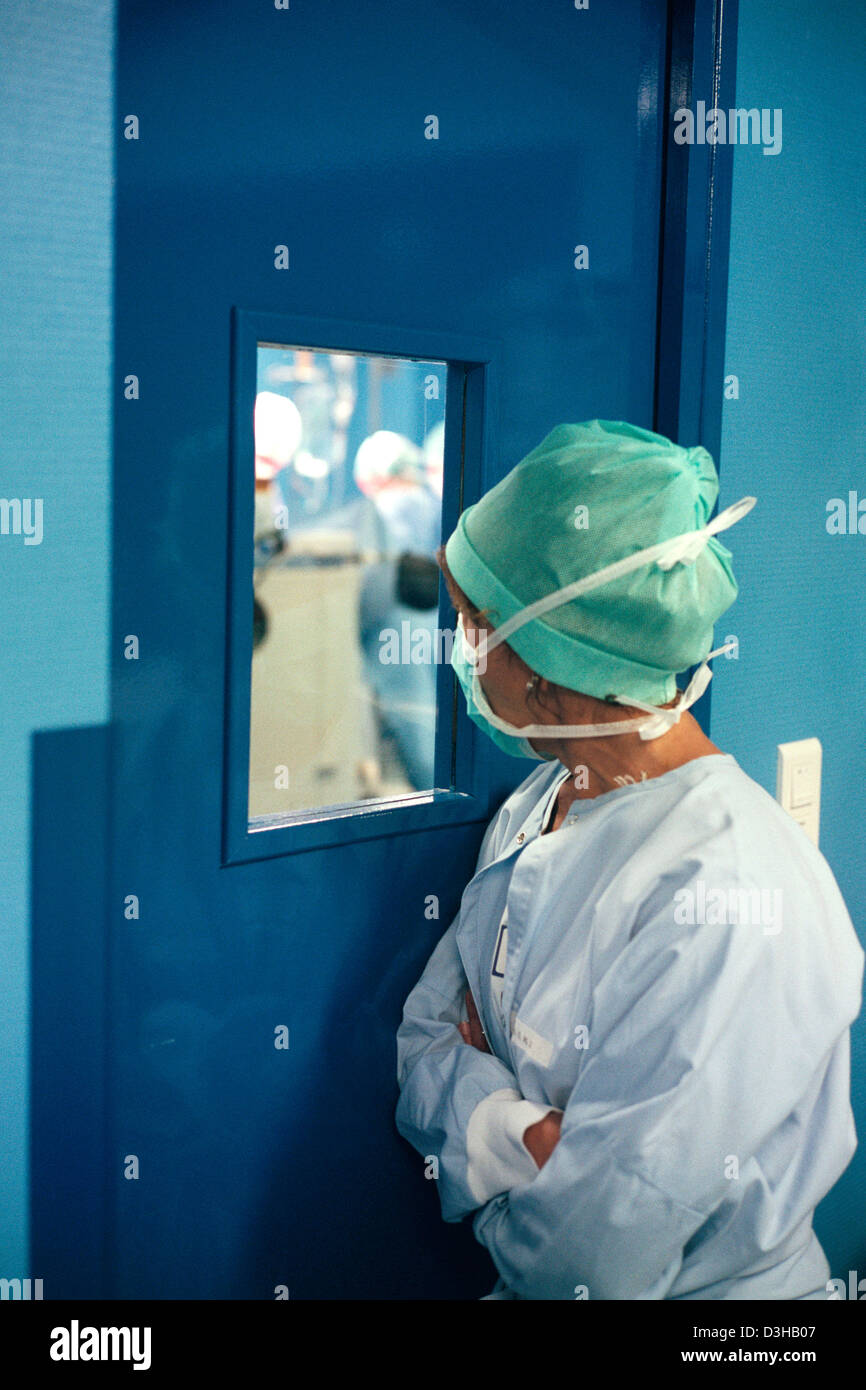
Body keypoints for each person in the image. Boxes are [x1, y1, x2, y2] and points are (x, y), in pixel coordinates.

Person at [394, 420, 864, 1300]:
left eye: (473, 623)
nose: (460, 652)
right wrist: (533, 1139)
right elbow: (424, 1045)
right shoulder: (542, 807)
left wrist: (485, 1116)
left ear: (544, 665)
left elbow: (593, 1259)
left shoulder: (728, 897)